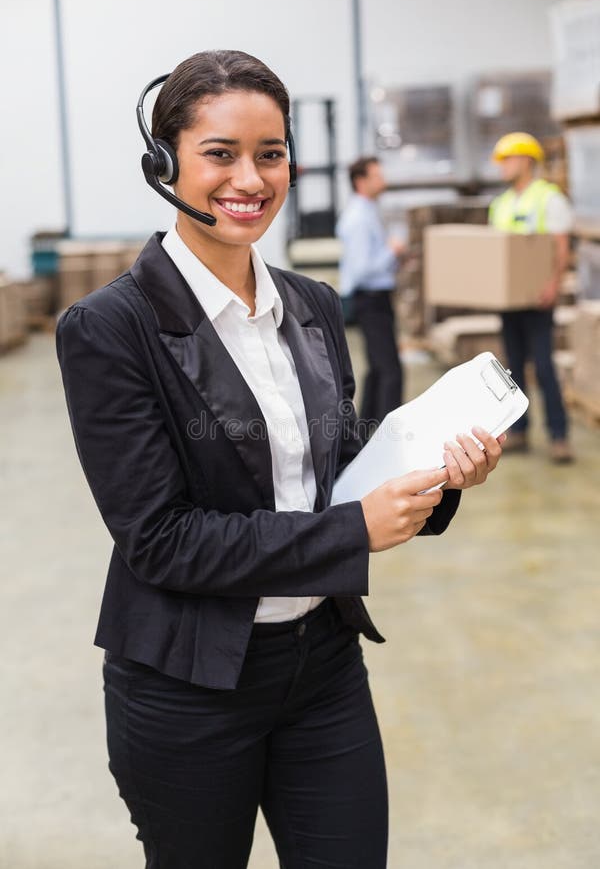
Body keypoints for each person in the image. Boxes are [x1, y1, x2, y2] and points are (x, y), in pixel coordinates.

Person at [56, 50, 505, 869]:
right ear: (164, 164)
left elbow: (333, 456)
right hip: (191, 685)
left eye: (271, 153)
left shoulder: (312, 305)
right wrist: (352, 532)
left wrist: (441, 470)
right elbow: (161, 538)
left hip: (322, 665)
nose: (251, 179)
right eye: (220, 154)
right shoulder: (109, 328)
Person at [489, 132, 574, 464]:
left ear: (526, 160)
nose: (502, 167)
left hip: (538, 300)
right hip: (508, 303)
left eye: (507, 160)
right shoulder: (501, 204)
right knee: (512, 369)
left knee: (543, 365)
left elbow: (561, 248)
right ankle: (520, 431)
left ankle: (559, 436)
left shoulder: (548, 198)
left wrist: (553, 285)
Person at [336, 156, 405, 432]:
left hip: (375, 297)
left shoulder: (366, 212)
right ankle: (389, 436)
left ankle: (364, 429)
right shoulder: (358, 219)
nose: (383, 181)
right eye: (377, 176)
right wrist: (393, 251)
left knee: (378, 368)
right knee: (390, 371)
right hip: (370, 298)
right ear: (361, 182)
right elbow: (363, 269)